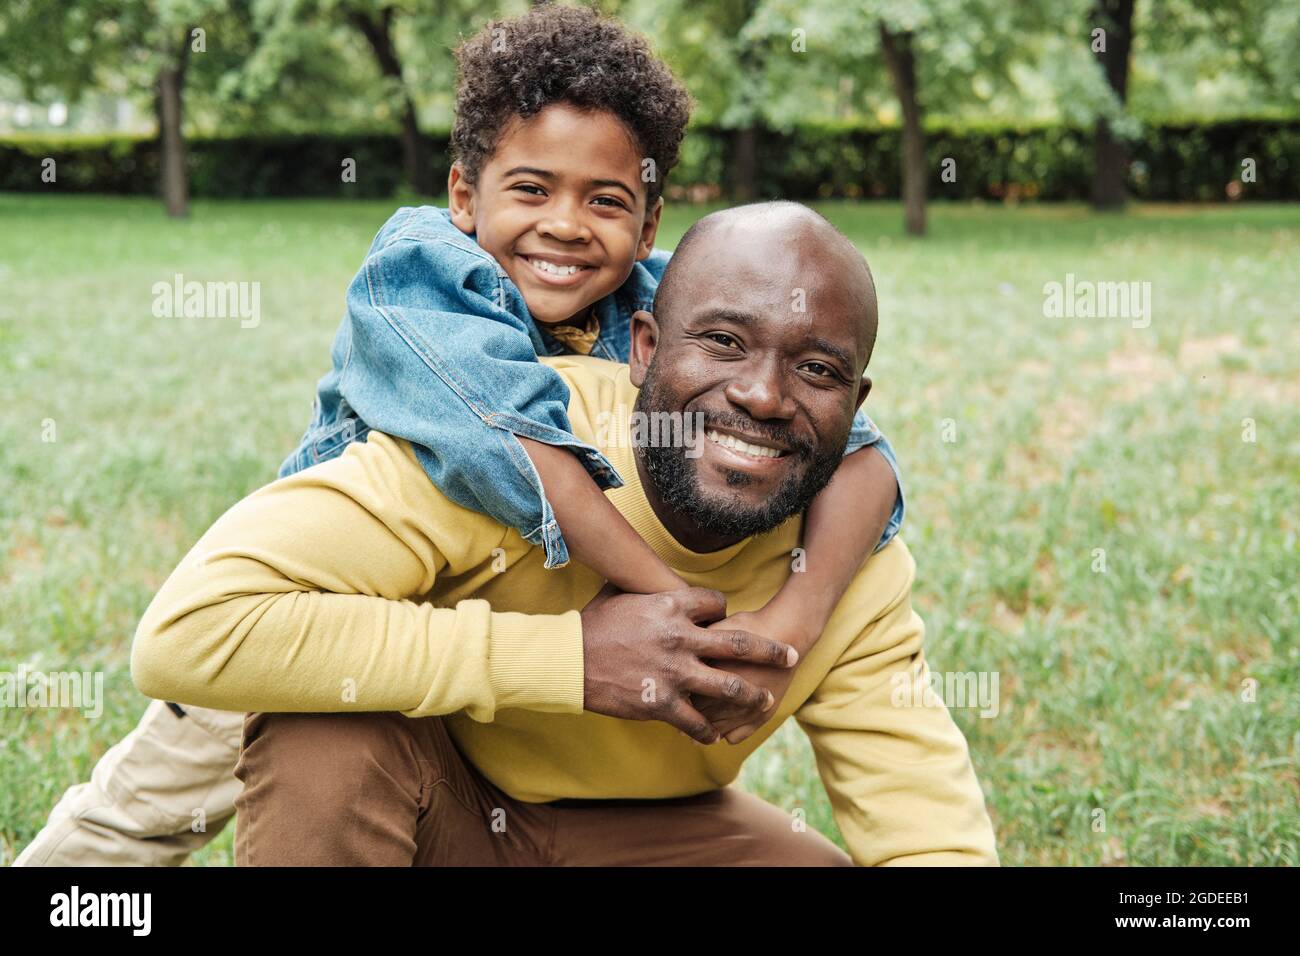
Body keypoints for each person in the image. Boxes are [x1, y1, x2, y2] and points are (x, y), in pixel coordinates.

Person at [15, 5, 902, 866]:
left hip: (484, 638)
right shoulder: (427, 279)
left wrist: (798, 611)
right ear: (463, 196)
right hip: (353, 603)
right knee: (148, 808)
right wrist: (672, 599)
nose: (565, 224)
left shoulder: (673, 304)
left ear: (648, 223)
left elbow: (857, 453)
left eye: (605, 200)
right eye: (531, 189)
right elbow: (512, 445)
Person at [130, 202, 999, 866]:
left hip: (654, 835)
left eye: (816, 370)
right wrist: (568, 661)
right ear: (644, 347)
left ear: (856, 407)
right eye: (725, 343)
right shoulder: (503, 451)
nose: (764, 396)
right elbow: (191, 631)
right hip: (450, 808)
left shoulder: (848, 556)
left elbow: (926, 820)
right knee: (322, 731)